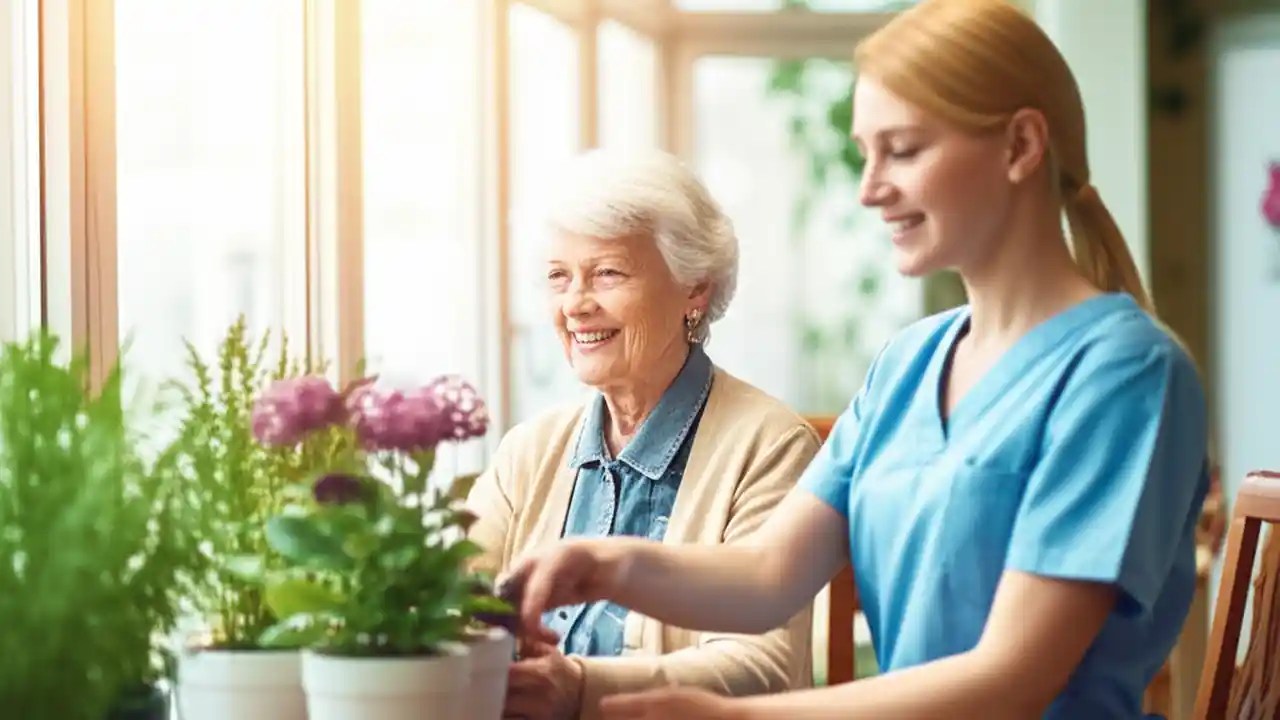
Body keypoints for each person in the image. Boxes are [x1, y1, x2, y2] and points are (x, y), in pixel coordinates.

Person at [495, 1, 1212, 718]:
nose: (870, 188)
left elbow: (1013, 678)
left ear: (1021, 145)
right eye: (866, 153)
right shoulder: (910, 362)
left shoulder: (1125, 374)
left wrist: (738, 717)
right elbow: (766, 574)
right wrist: (604, 564)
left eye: (901, 150)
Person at [466, 149, 819, 720]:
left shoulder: (770, 444)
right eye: (559, 276)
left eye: (607, 272)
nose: (576, 304)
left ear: (694, 290)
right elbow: (446, 603)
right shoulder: (527, 450)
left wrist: (580, 685)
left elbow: (762, 665)